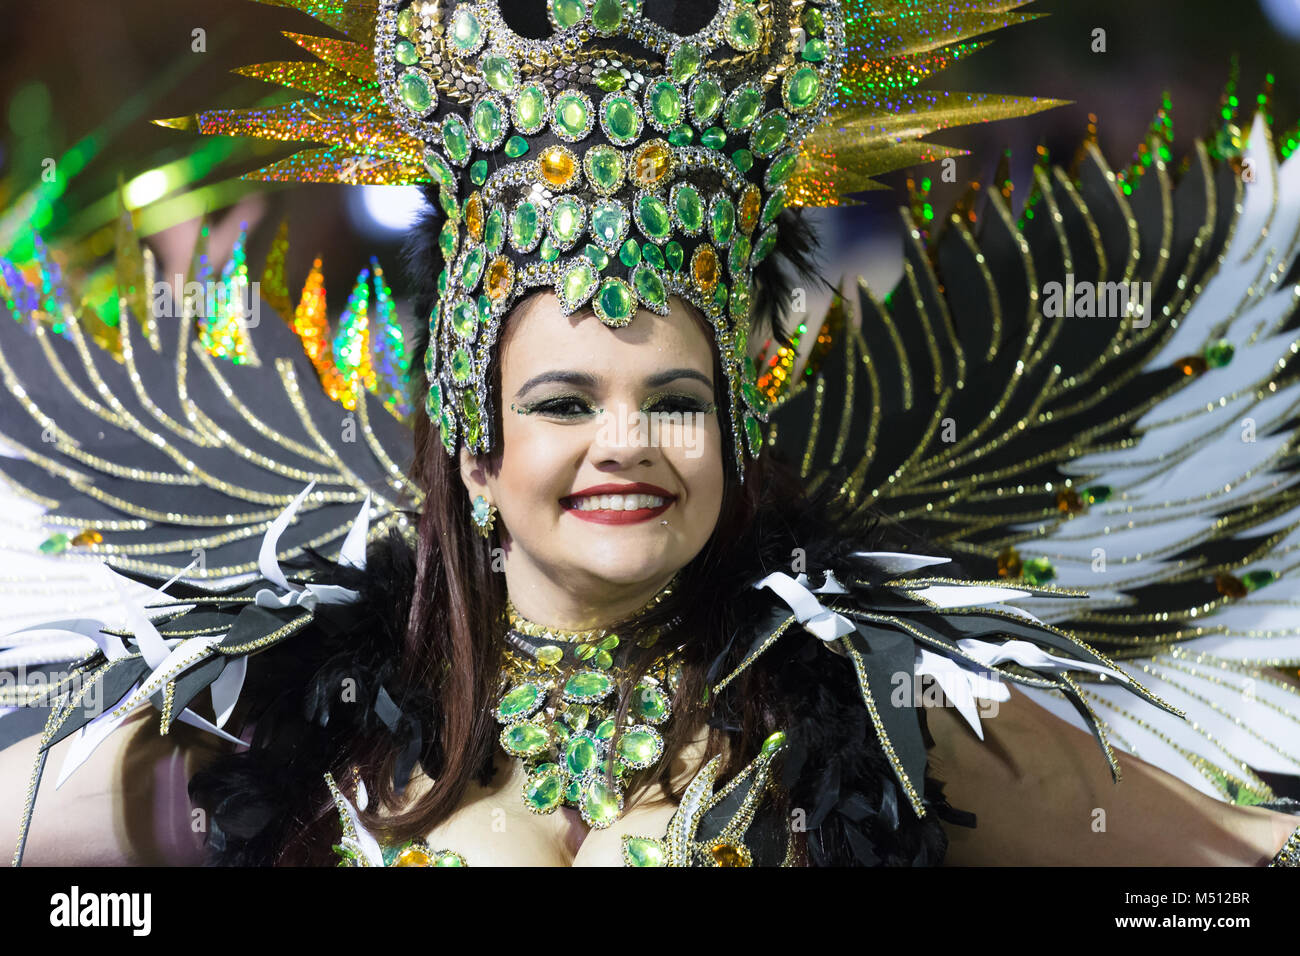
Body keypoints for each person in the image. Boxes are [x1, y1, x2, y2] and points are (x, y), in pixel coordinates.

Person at [2, 0, 1299, 868]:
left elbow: (1216, 873)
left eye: (676, 401)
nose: (623, 442)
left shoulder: (884, 709)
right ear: (472, 430)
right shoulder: (265, 716)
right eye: (563, 402)